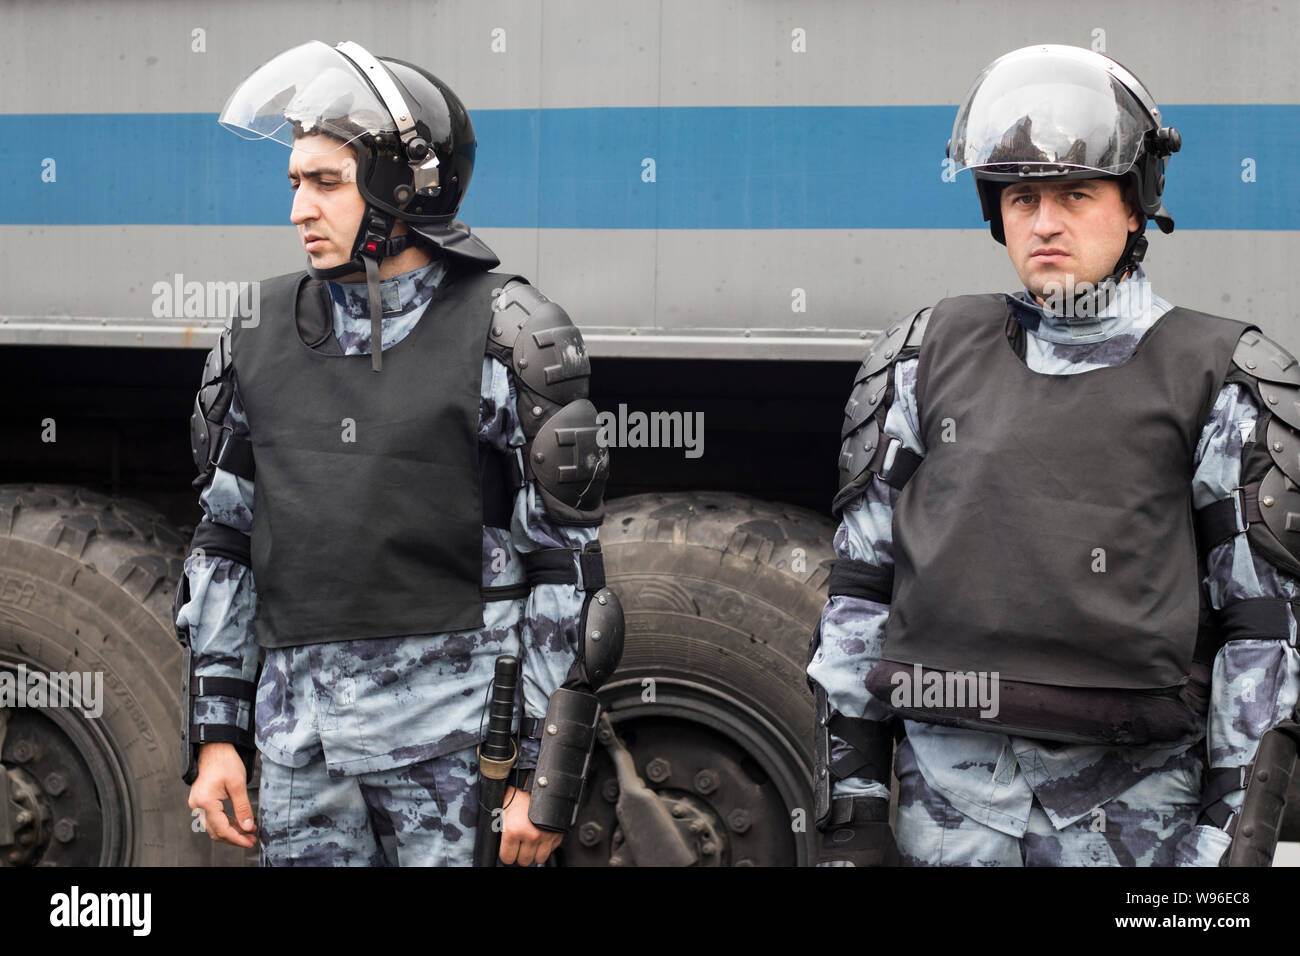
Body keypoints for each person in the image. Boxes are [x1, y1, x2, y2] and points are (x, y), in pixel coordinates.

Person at [808, 44, 1300, 866]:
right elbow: (859, 595)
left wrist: (1226, 853)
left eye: (1077, 194)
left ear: (1137, 206)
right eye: (1022, 197)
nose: (1044, 223)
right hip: (947, 814)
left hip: (1138, 820)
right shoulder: (918, 357)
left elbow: (1265, 636)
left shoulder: (1223, 376)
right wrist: (853, 814)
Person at [174, 40, 622, 866]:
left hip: (453, 756)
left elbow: (570, 574)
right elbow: (224, 548)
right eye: (295, 183)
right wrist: (215, 737)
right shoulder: (254, 335)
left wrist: (540, 771)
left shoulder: (508, 335)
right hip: (299, 754)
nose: (300, 209)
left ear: (405, 189)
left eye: (326, 183)